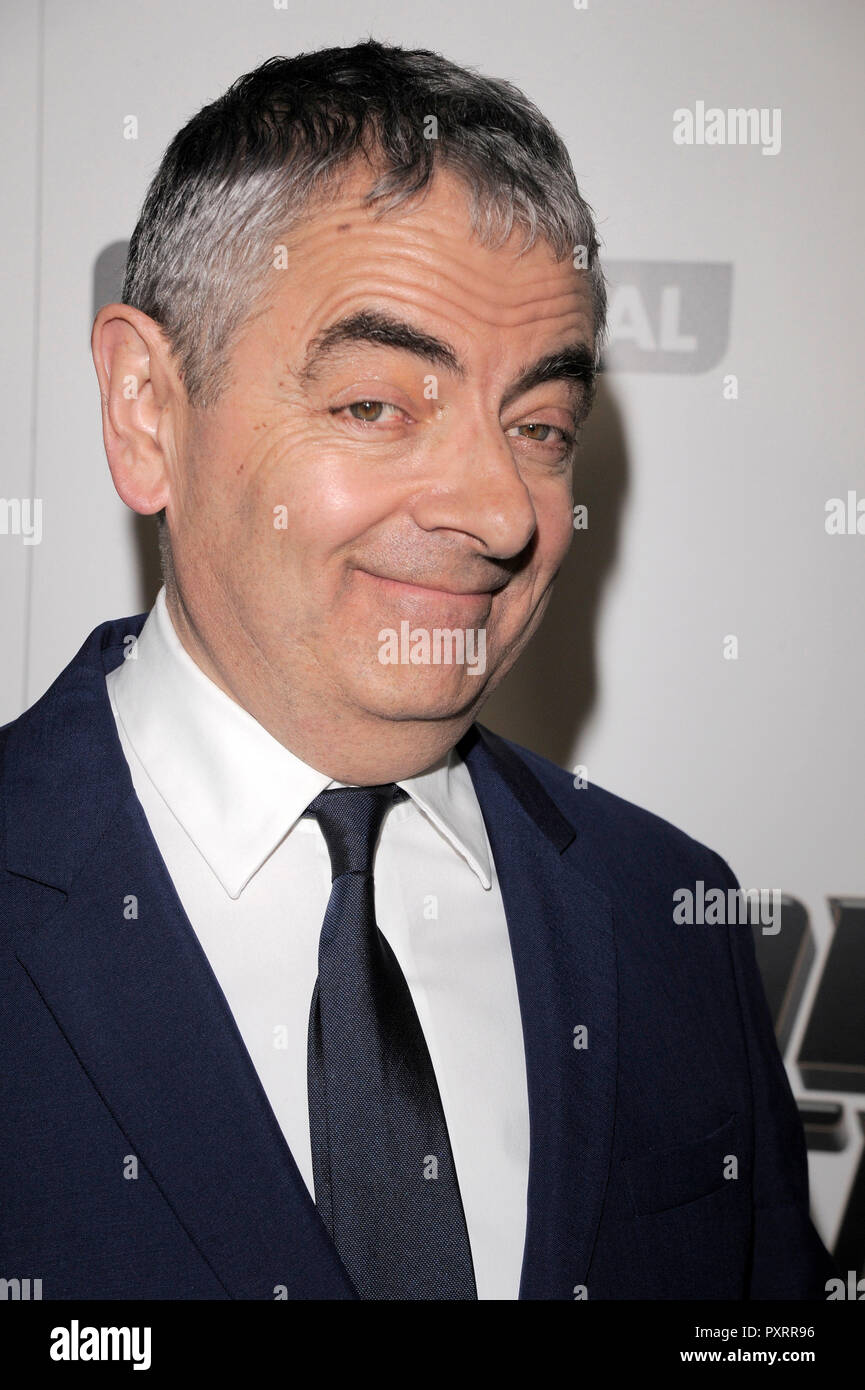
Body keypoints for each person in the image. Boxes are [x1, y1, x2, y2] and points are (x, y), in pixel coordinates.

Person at [0, 40, 834, 1300]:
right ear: (146, 413)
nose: (504, 510)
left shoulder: (671, 916)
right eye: (378, 405)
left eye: (540, 427)